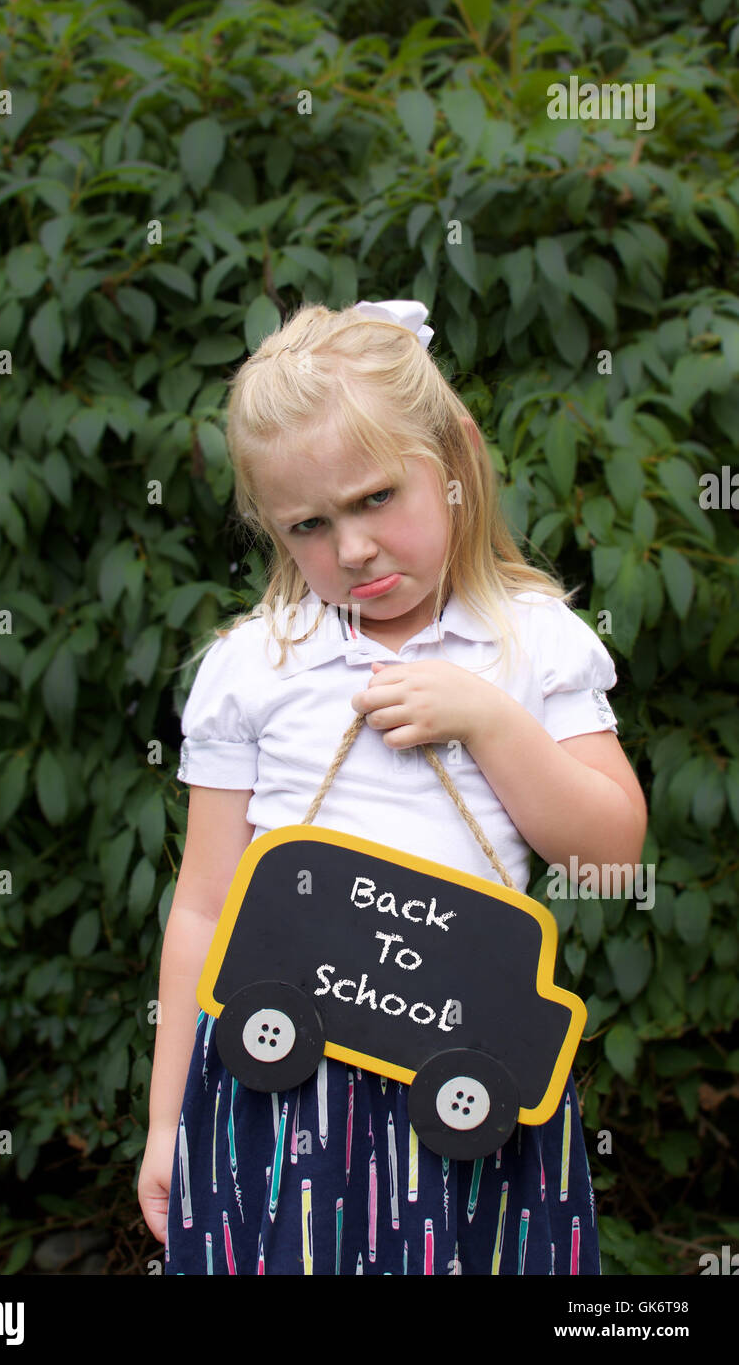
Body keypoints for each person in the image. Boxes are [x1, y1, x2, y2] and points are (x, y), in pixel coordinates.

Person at [138, 299, 647, 1275]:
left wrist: (489, 720)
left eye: (376, 498)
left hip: (467, 1074)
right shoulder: (252, 668)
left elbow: (611, 861)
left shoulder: (529, 644)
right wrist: (167, 1121)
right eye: (309, 525)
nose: (354, 548)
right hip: (277, 1080)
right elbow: (204, 906)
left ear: (451, 459)